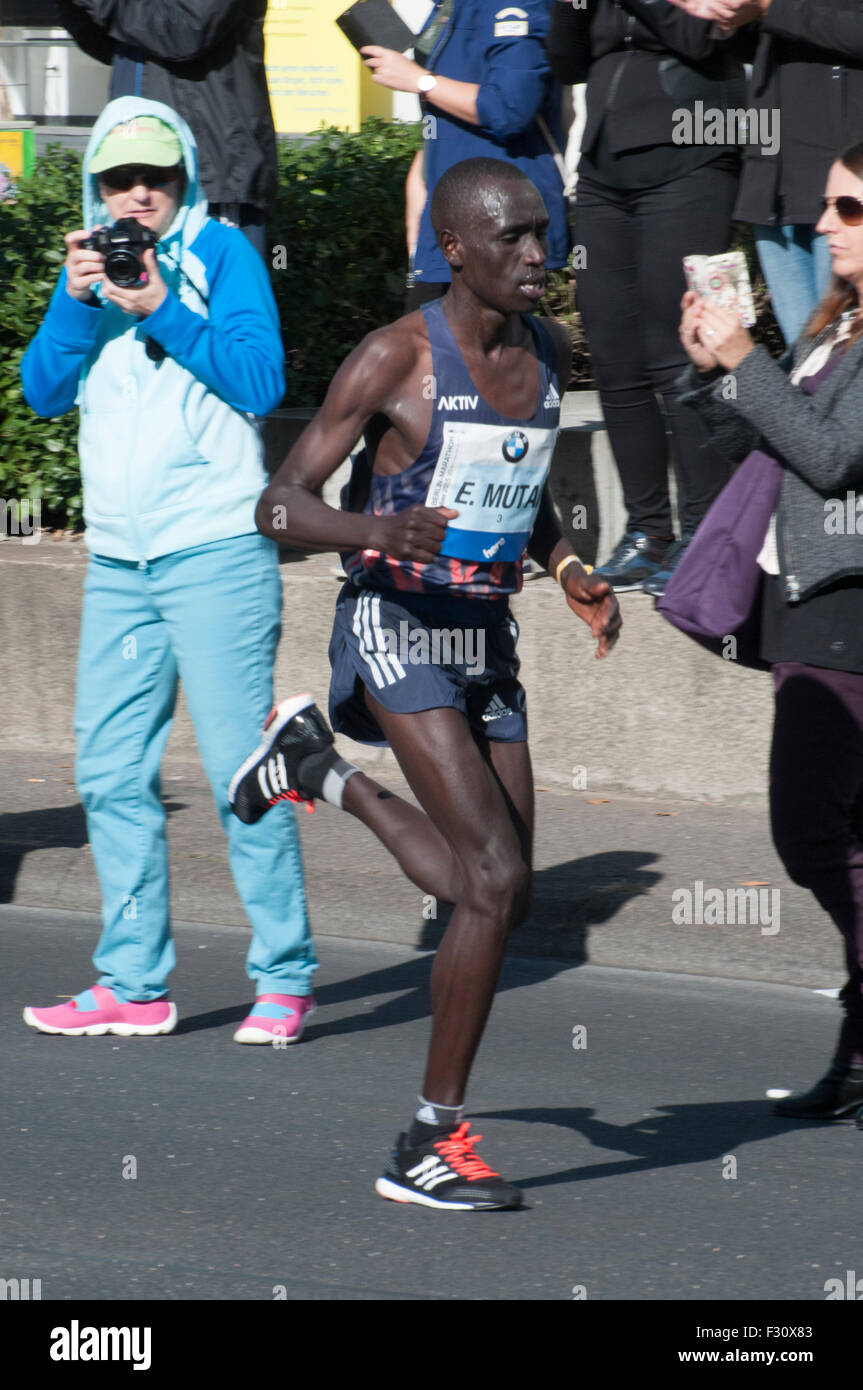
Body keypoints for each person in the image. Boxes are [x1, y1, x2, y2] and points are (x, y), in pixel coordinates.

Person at [229, 157, 621, 1209]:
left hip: (480, 632)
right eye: (513, 240)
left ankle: (315, 769)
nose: (539, 256)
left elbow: (520, 488)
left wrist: (567, 566)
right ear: (455, 250)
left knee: (496, 887)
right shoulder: (393, 359)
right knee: (486, 878)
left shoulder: (544, 350)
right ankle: (426, 1139)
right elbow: (276, 505)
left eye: (543, 234)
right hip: (394, 617)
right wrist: (372, 528)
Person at [20, 97, 316, 1043]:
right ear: (94, 187)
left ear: (185, 178)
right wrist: (76, 305)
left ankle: (284, 977)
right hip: (118, 560)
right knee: (108, 772)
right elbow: (39, 390)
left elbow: (261, 381)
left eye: (157, 177)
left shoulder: (221, 254)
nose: (138, 195)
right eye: (119, 179)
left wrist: (163, 306)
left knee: (243, 773)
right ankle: (133, 981)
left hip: (215, 548)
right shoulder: (87, 272)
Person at [677, 142, 863, 1120]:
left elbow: (834, 461)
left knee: (806, 834)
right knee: (844, 833)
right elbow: (775, 442)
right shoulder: (837, 321)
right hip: (807, 601)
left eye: (848, 208)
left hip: (846, 611)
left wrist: (749, 361)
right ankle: (855, 1059)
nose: (823, 223)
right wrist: (719, 364)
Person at [545, 0, 746, 596]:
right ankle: (648, 532)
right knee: (613, 355)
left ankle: (705, 534)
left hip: (695, 150)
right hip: (607, 162)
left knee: (681, 347)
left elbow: (703, 34)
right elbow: (567, 60)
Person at [667, 0, 863, 348]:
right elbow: (753, 47)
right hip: (775, 181)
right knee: (804, 359)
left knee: (841, 353)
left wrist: (768, 7)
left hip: (844, 185)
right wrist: (729, 17)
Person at [359, 0, 570, 310]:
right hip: (446, 225)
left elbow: (509, 107)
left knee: (483, 352)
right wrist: (419, 192)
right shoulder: (448, 7)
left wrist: (421, 81)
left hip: (498, 222)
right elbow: (441, 123)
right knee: (426, 347)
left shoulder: (514, 5)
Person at [57, 0, 277, 258]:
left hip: (214, 178)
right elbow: (109, 44)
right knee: (136, 291)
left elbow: (185, 31)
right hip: (137, 168)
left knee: (224, 292)